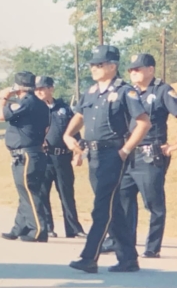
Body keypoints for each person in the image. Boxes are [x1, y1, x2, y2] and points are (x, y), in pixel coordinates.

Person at [63, 45, 151, 273]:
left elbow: (143, 123)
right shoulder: (91, 92)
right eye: (92, 64)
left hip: (113, 154)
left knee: (102, 207)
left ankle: (89, 256)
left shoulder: (124, 91)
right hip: (93, 155)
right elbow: (80, 115)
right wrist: (68, 135)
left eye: (99, 64)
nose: (94, 68)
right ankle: (128, 258)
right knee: (113, 208)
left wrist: (125, 150)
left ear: (113, 66)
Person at [102, 53, 177, 258]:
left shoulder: (162, 91)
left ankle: (152, 247)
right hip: (128, 153)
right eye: (131, 70)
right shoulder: (128, 91)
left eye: (138, 69)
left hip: (151, 154)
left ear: (150, 70)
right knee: (122, 199)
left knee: (153, 202)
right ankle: (123, 244)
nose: (133, 73)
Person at [0, 71, 51, 243]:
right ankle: (20, 227)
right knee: (26, 192)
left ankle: (38, 229)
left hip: (26, 154)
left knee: (29, 191)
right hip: (34, 153)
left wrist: (3, 98)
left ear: (18, 87)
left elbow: (0, 115)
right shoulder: (40, 104)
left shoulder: (26, 102)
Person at [34, 76, 86, 239]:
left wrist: (78, 152)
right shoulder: (34, 109)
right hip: (44, 157)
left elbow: (74, 131)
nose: (40, 92)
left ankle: (73, 228)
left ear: (51, 89)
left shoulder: (63, 109)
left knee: (67, 193)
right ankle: (48, 227)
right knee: (43, 193)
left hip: (62, 157)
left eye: (43, 88)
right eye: (38, 89)